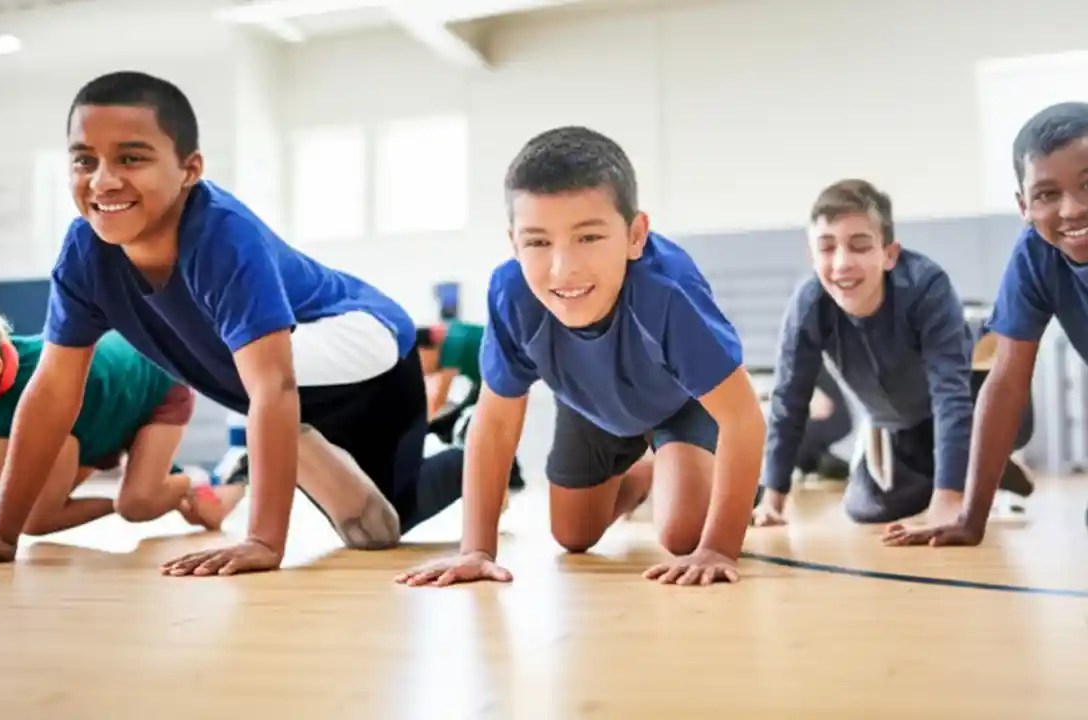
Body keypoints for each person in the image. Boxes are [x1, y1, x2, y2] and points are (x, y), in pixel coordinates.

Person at [0, 70, 464, 575]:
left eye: (131, 157)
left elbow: (274, 384)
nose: (103, 180)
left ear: (189, 169)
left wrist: (262, 540)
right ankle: (451, 457)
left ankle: (473, 453)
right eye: (83, 160)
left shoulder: (222, 238)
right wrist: (2, 535)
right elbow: (52, 390)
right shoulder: (84, 254)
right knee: (376, 529)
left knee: (260, 370)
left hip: (363, 345)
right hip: (279, 391)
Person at [396, 126, 765, 587]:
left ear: (635, 235)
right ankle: (647, 471)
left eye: (588, 238)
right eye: (537, 242)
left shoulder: (668, 293)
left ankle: (710, 475)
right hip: (591, 403)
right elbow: (495, 424)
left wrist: (718, 548)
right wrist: (476, 548)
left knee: (684, 534)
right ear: (514, 243)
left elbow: (743, 420)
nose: (562, 268)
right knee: (573, 535)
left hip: (679, 403)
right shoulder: (512, 294)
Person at [883, 101, 1088, 560]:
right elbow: (1004, 383)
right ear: (1023, 205)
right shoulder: (1034, 257)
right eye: (1046, 194)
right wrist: (970, 516)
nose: (1072, 209)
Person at [752, 179, 1033, 528]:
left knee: (1002, 418)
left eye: (860, 246)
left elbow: (950, 397)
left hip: (971, 395)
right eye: (827, 248)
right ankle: (985, 471)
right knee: (865, 509)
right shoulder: (808, 305)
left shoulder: (926, 286)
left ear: (889, 254)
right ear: (812, 256)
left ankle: (982, 460)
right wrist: (773, 499)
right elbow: (789, 402)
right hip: (902, 425)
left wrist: (948, 502)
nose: (841, 263)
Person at [0, 272, 242, 543]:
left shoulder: (24, 385)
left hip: (157, 383)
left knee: (138, 505)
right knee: (33, 520)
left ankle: (203, 478)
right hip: (96, 415)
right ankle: (155, 489)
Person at [417, 321, 526, 491]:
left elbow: (438, 399)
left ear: (426, 349)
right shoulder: (449, 336)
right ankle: (509, 474)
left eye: (419, 358)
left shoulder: (452, 345)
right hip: (488, 377)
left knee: (479, 423)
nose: (420, 366)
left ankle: (510, 475)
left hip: (500, 376)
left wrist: (414, 431)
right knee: (454, 419)